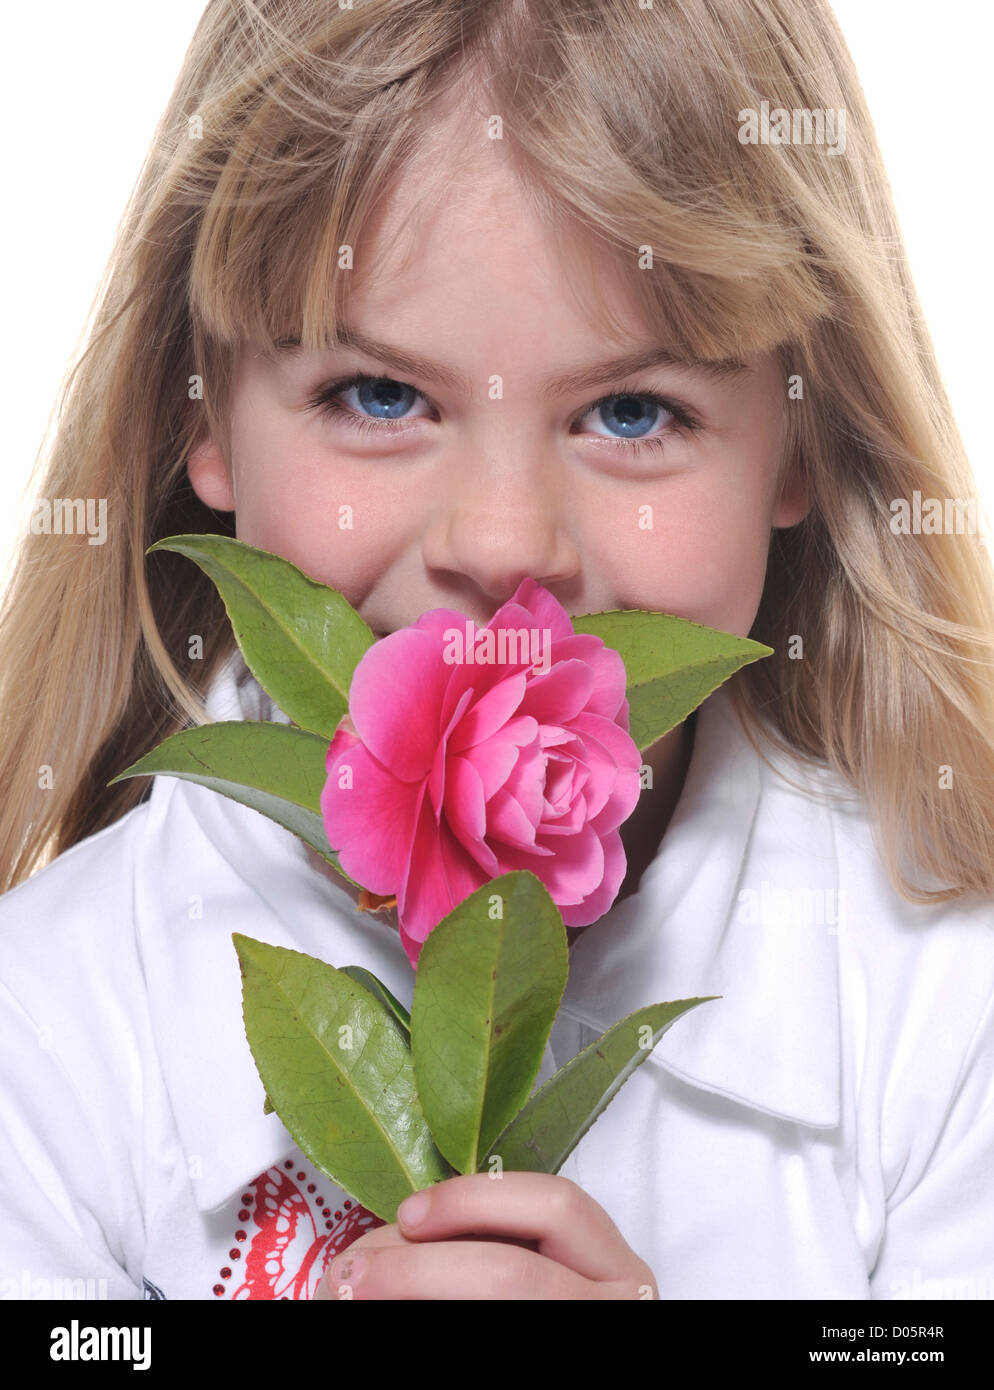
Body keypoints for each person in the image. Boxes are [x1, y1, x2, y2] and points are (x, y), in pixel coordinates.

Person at [1, 0, 993, 1302]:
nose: (504, 542)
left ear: (798, 440)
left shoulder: (943, 1007)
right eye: (378, 396)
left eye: (632, 411)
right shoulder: (44, 1032)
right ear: (207, 410)